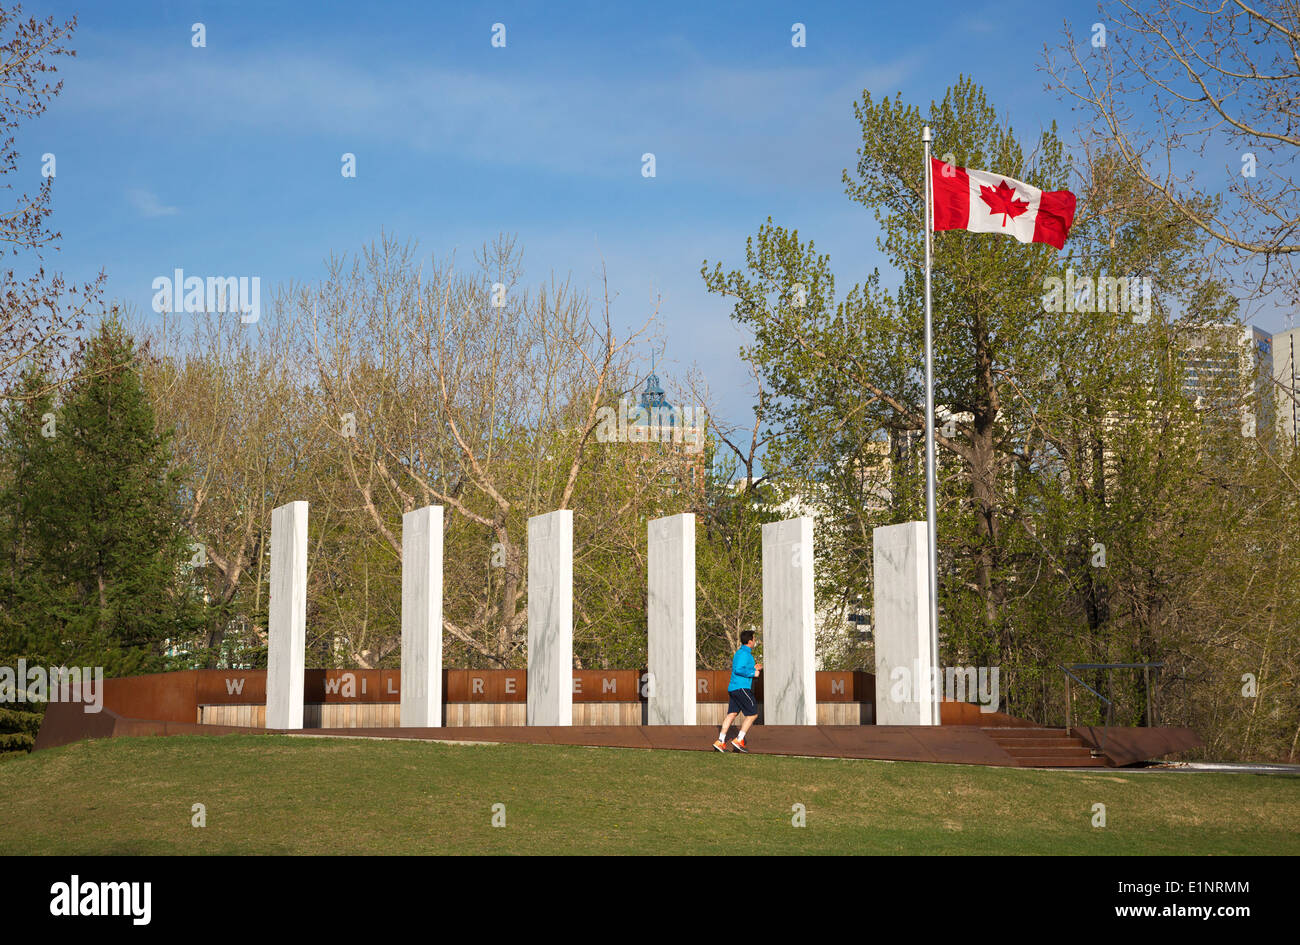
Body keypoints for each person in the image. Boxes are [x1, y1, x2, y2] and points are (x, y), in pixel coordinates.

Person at [713, 629, 761, 752]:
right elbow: (739, 669)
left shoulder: (741, 653)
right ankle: (739, 739)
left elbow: (741, 667)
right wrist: (753, 673)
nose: (755, 641)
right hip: (741, 688)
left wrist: (754, 667)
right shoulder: (745, 654)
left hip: (734, 688)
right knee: (753, 714)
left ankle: (720, 741)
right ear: (750, 641)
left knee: (732, 714)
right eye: (754, 639)